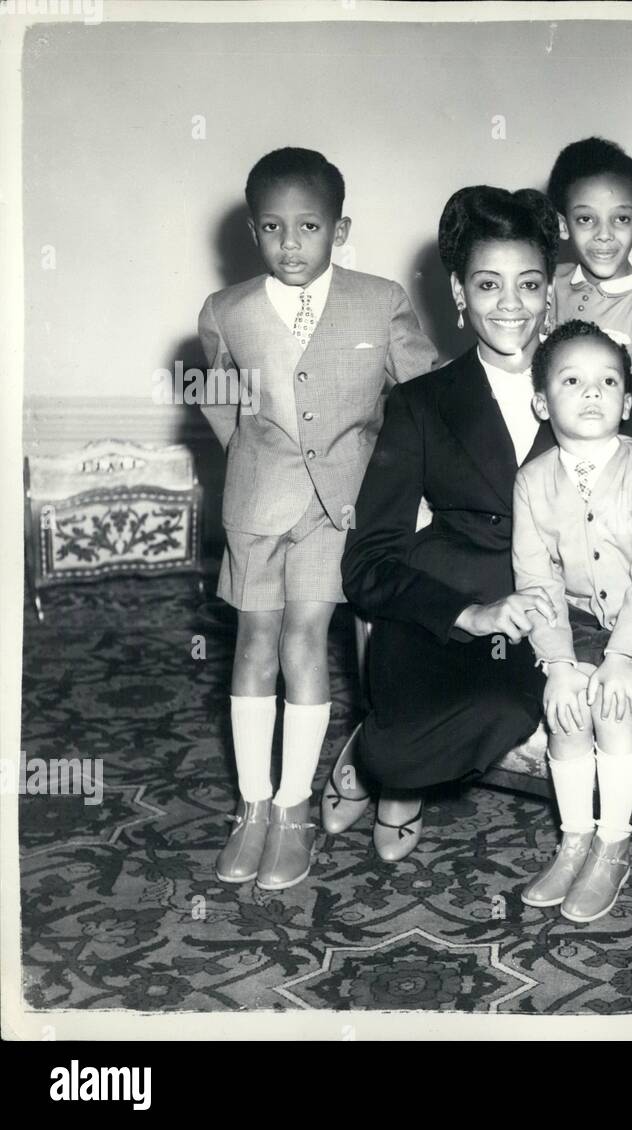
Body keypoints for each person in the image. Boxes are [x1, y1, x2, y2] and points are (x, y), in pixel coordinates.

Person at [328, 187, 632, 861]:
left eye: (529, 284)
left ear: (550, 293)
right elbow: (366, 563)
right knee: (406, 718)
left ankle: (388, 766)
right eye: (488, 284)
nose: (511, 304)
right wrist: (465, 614)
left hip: (542, 614)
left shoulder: (594, 386)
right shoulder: (418, 404)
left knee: (500, 710)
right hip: (439, 604)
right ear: (457, 293)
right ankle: (382, 754)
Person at [200, 147, 437, 890]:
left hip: (341, 508)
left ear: (340, 229)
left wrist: (402, 486)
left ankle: (295, 808)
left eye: (308, 227)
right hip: (257, 506)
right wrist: (252, 462)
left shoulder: (380, 300)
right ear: (251, 230)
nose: (290, 244)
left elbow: (423, 395)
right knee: (252, 642)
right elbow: (218, 400)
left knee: (305, 639)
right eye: (272, 228)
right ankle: (252, 808)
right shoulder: (226, 311)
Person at [513, 320, 632, 922]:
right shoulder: (531, 483)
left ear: (627, 400)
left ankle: (614, 842)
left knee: (612, 703)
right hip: (577, 621)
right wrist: (559, 663)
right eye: (572, 381)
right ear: (542, 401)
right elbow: (536, 581)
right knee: (568, 706)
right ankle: (575, 837)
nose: (592, 393)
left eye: (607, 381)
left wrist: (622, 657)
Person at [546, 137, 632, 362]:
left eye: (621, 218)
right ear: (563, 226)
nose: (604, 235)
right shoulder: (547, 282)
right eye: (586, 219)